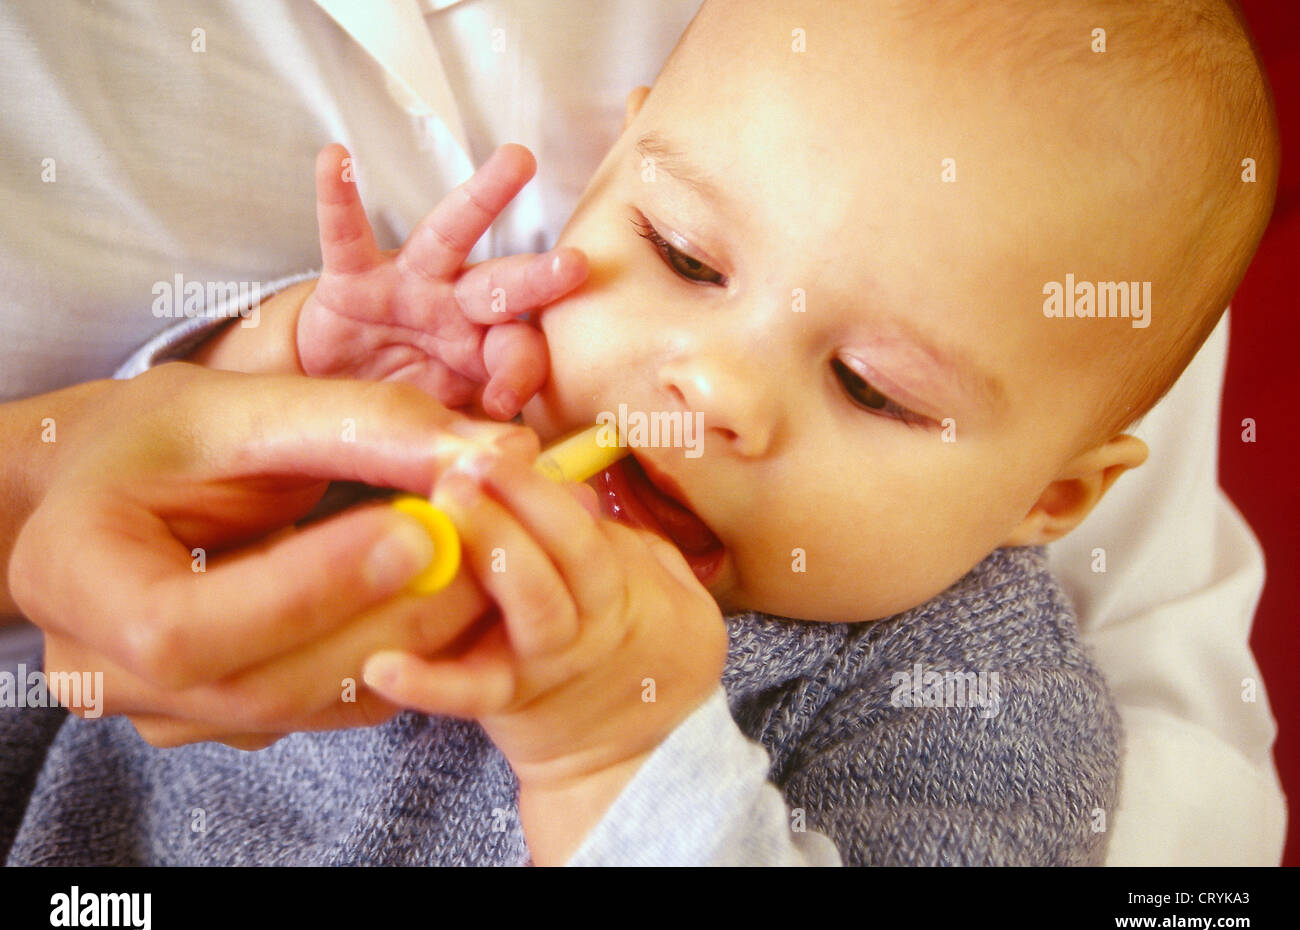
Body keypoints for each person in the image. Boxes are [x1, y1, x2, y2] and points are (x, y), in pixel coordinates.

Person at [0, 0, 1282, 864]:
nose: (715, 388)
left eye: (871, 386)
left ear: (1051, 500)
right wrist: (263, 380)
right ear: (608, 171)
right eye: (679, 255)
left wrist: (620, 749)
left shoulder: (974, 709)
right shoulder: (434, 417)